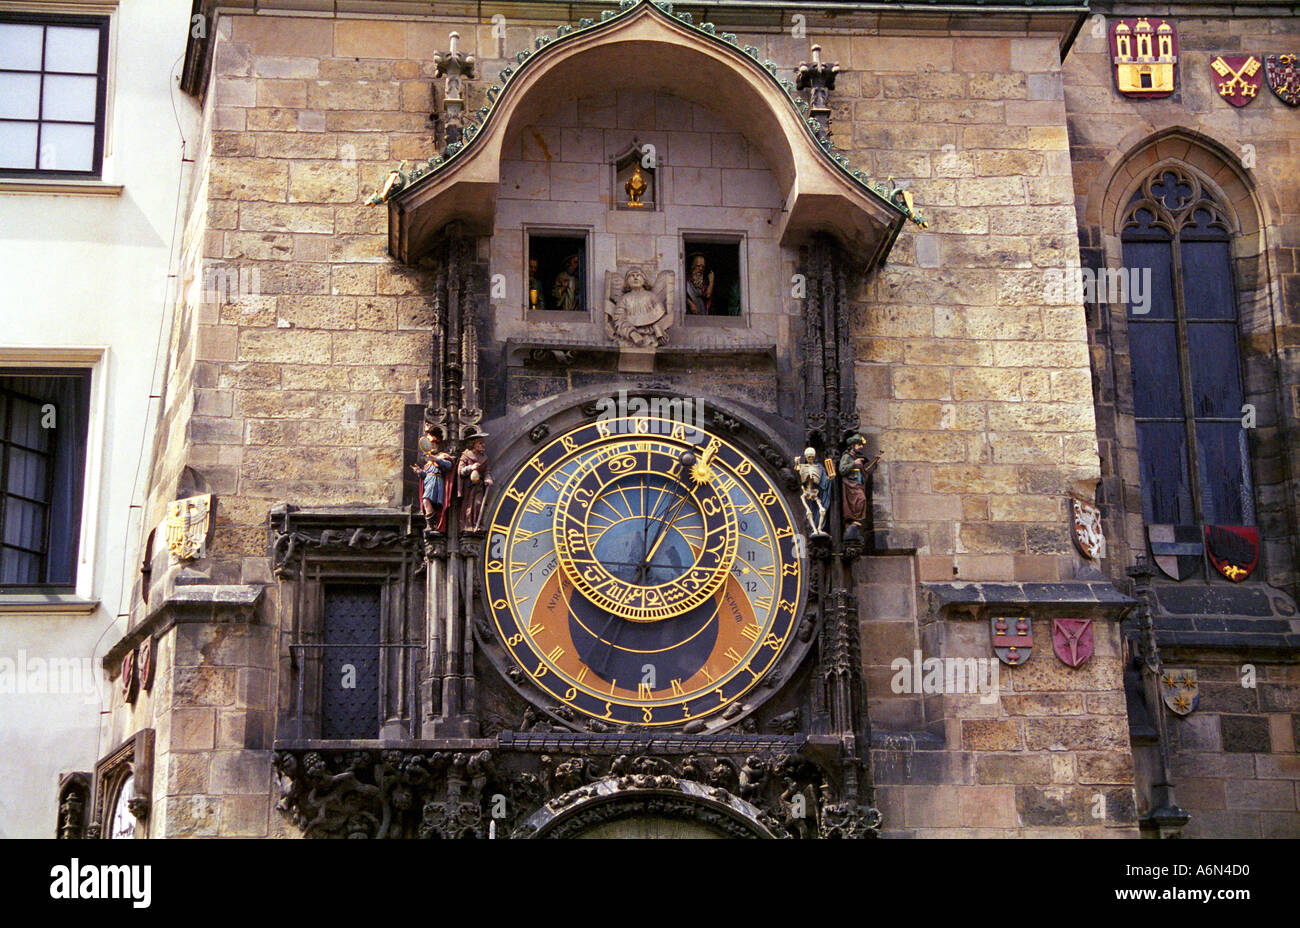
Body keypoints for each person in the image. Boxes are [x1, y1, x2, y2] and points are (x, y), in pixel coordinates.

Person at [412, 428, 455, 534]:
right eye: (431, 444)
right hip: (429, 482)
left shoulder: (442, 457)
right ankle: (431, 524)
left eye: (435, 444)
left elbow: (449, 466)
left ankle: (431, 524)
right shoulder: (428, 463)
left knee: (426, 500)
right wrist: (419, 472)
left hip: (436, 483)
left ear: (438, 445)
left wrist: (436, 460)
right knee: (426, 501)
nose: (433, 446)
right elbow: (425, 476)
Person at [458, 430, 493, 533]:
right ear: (474, 444)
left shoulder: (484, 458)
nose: (483, 445)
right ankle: (468, 525)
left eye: (483, 443)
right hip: (468, 486)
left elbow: (486, 471)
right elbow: (460, 471)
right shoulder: (465, 455)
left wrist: (488, 478)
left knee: (478, 504)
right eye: (480, 443)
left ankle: (477, 524)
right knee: (468, 506)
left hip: (479, 486)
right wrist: (470, 468)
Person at [796, 447, 831, 536]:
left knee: (822, 510)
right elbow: (798, 473)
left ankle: (819, 528)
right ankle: (814, 529)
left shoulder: (819, 467)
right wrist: (797, 462)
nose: (811, 459)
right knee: (810, 511)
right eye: (809, 457)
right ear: (806, 457)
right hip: (806, 491)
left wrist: (829, 479)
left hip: (815, 492)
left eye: (812, 457)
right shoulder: (803, 467)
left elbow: (823, 481)